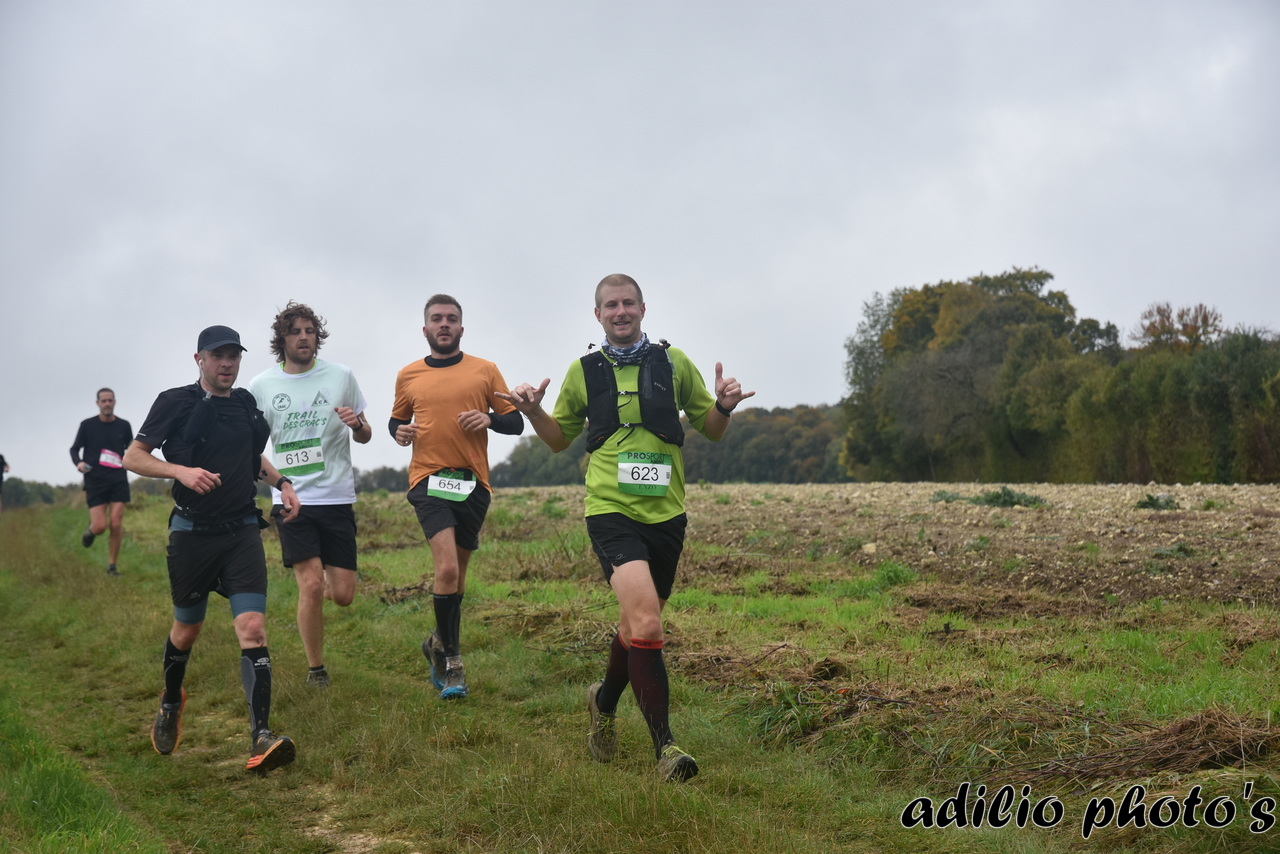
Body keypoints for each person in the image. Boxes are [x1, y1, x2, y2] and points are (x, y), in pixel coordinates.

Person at [498, 273, 754, 782]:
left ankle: (604, 701)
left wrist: (724, 406)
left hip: (667, 512)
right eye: (610, 305)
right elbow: (556, 439)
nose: (620, 312)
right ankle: (667, 749)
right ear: (598, 316)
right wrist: (532, 413)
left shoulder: (674, 362)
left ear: (643, 308)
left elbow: (712, 429)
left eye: (628, 303)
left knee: (635, 626)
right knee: (650, 625)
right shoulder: (583, 370)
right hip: (610, 509)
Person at [124, 325, 299, 773]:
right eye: (218, 356)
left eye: (234, 357)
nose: (227, 364)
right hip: (191, 534)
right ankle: (170, 701)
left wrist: (282, 483)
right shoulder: (174, 401)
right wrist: (179, 471)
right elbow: (134, 456)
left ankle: (261, 735)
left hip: (240, 530)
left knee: (254, 628)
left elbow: (249, 458)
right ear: (199, 359)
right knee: (187, 630)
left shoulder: (244, 405)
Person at [390, 294, 523, 700]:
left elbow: (515, 422)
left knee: (458, 576)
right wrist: (400, 433)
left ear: (461, 328)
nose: (444, 324)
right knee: (446, 569)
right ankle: (452, 661)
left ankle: (436, 642)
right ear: (425, 329)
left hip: (473, 483)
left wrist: (490, 418)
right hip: (428, 480)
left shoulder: (485, 371)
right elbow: (396, 422)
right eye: (436, 319)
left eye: (451, 319)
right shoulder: (408, 375)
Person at [249, 301, 371, 688]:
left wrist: (357, 426)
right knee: (312, 585)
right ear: (281, 339)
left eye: (310, 331)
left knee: (345, 594)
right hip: (292, 499)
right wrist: (274, 483)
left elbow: (366, 434)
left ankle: (313, 607)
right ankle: (316, 669)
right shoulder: (262, 386)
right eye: (296, 331)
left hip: (336, 496)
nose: (304, 337)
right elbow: (249, 447)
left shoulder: (341, 376)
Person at [70, 388, 134, 575]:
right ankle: (90, 531)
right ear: (97, 403)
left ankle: (112, 566)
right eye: (103, 401)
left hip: (118, 480)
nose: (107, 404)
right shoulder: (87, 425)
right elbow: (74, 449)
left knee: (116, 523)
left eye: (110, 400)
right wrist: (79, 463)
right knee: (100, 526)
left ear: (115, 402)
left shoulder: (124, 425)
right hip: (95, 480)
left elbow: (130, 449)